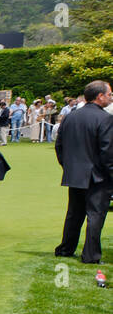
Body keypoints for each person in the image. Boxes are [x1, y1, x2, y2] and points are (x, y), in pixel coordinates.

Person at [53, 80, 113, 264]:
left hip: (75, 174)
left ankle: (66, 248)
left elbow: (59, 146)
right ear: (100, 96)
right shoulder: (105, 119)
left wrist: (68, 166)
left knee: (74, 214)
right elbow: (107, 151)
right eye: (109, 94)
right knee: (95, 216)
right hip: (98, 176)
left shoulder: (71, 116)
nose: (111, 97)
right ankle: (91, 255)